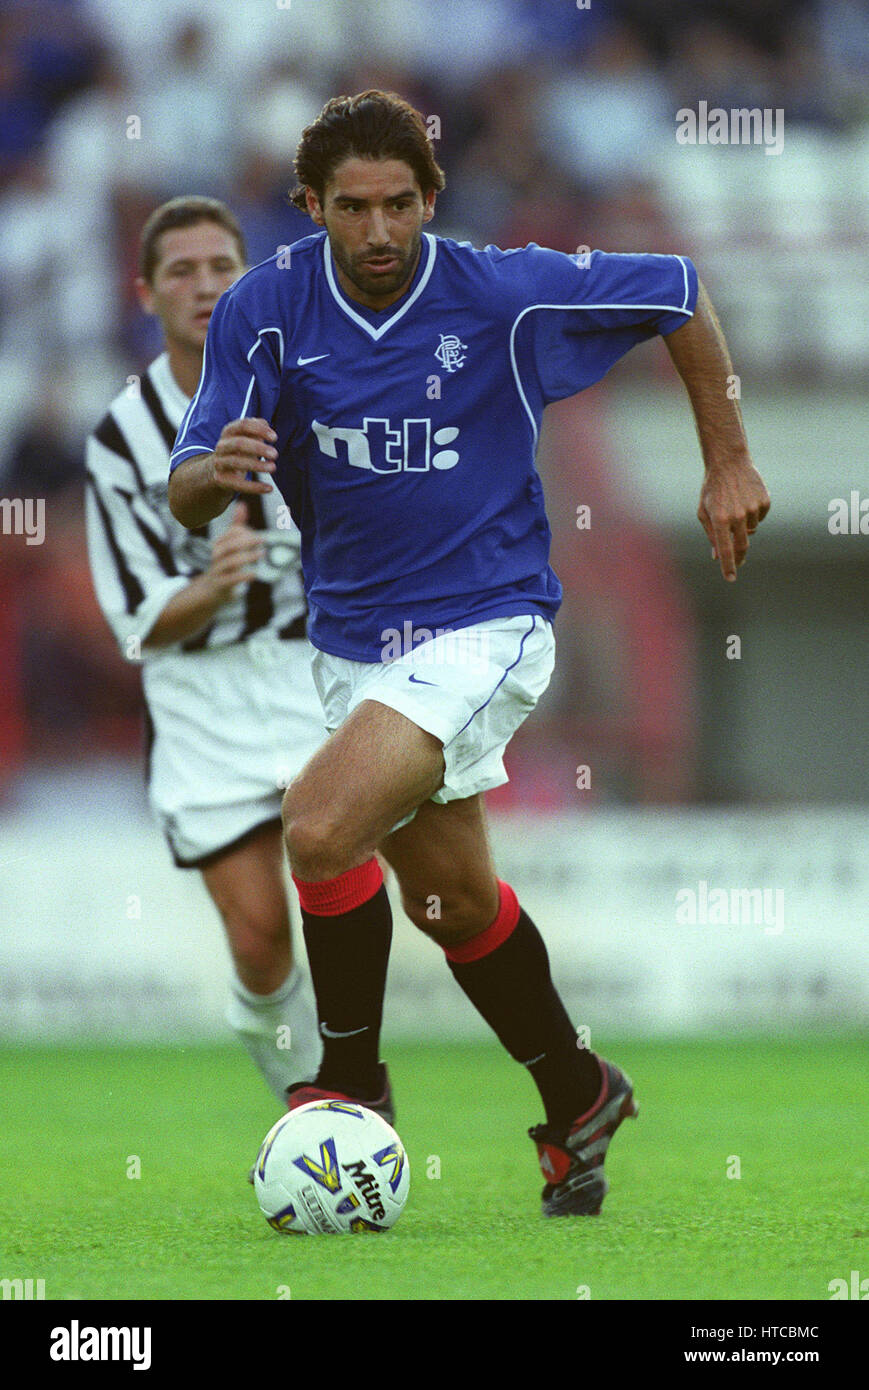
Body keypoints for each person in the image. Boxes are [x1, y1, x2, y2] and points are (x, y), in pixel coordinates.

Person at [167, 93, 771, 1217]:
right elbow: (187, 477)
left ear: (430, 200)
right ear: (311, 208)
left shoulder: (497, 292)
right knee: (450, 899)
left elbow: (677, 291)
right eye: (353, 208)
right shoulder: (264, 311)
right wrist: (218, 471)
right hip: (350, 643)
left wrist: (725, 462)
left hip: (487, 625)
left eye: (400, 204)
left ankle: (348, 1087)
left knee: (317, 823)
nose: (380, 229)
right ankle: (577, 1091)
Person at [86, 196, 325, 1102]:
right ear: (145, 293)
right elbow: (135, 624)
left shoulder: (307, 384)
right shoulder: (121, 435)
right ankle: (304, 1099)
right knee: (261, 935)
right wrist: (211, 588)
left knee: (347, 892)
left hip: (317, 673)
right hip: (202, 698)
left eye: (221, 265)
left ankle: (349, 1090)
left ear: (247, 275)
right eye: (180, 271)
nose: (204, 285)